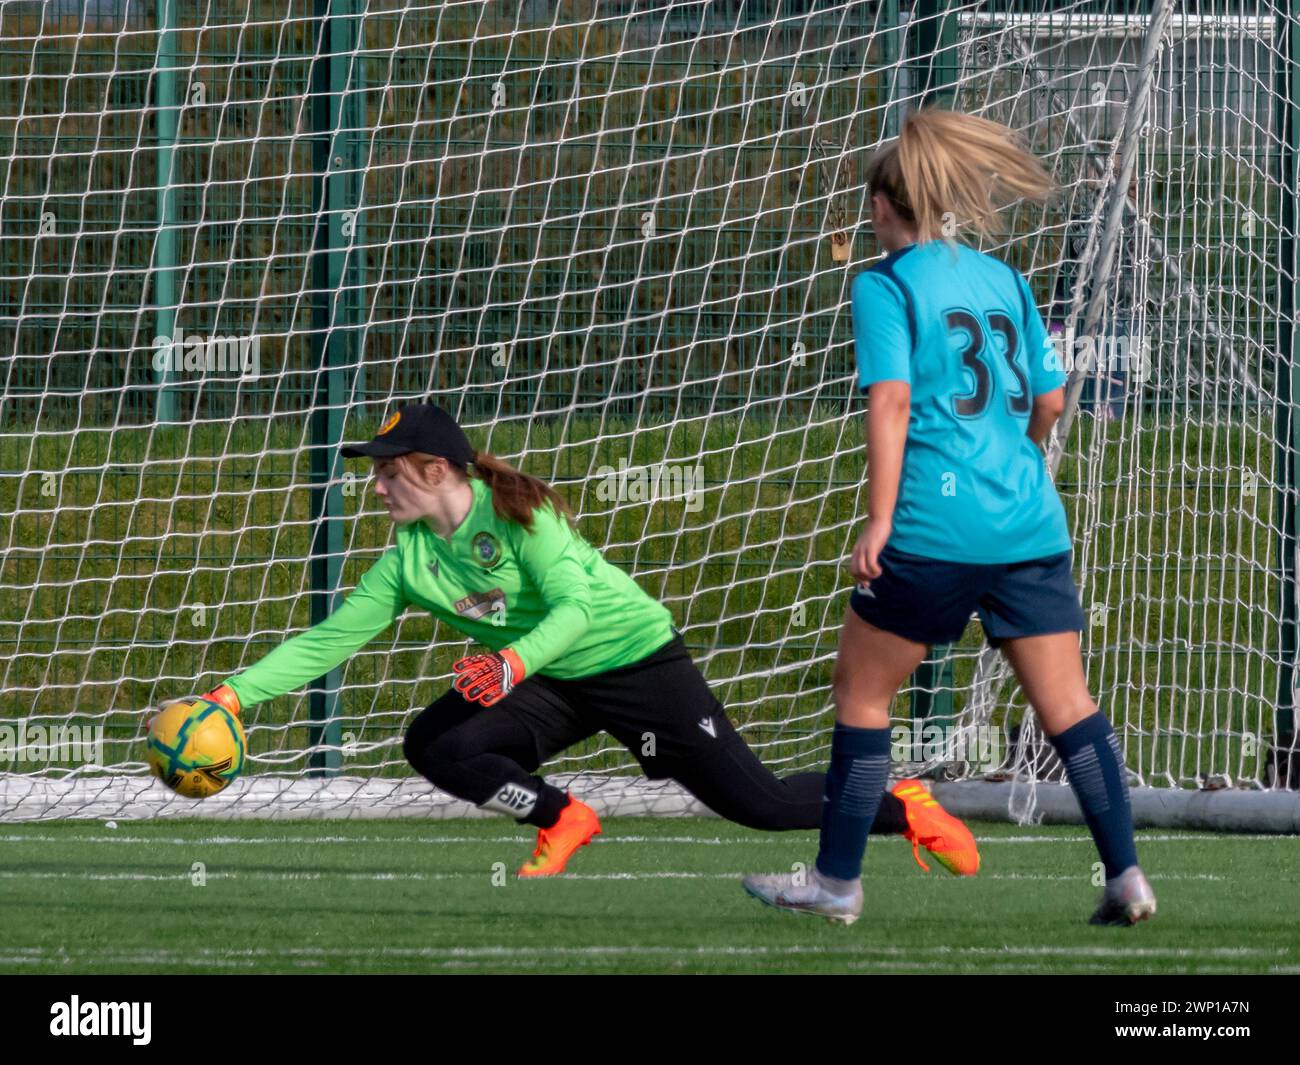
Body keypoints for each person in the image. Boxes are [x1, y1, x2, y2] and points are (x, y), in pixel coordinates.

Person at [191, 402, 979, 878]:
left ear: (432, 469)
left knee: (762, 804)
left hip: (634, 661)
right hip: (551, 681)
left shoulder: (521, 516)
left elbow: (571, 612)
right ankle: (563, 817)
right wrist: (233, 695)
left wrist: (508, 661)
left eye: (387, 469)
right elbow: (331, 638)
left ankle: (900, 805)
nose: (375, 482)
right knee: (433, 741)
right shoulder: (409, 560)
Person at [742, 110, 1155, 926]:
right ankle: (1128, 877)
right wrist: (1021, 454)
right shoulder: (1001, 278)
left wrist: (879, 519)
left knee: (861, 695)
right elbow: (1050, 400)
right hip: (1029, 522)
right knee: (1069, 707)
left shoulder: (884, 283)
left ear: (883, 206)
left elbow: (892, 401)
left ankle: (835, 882)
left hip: (936, 525)